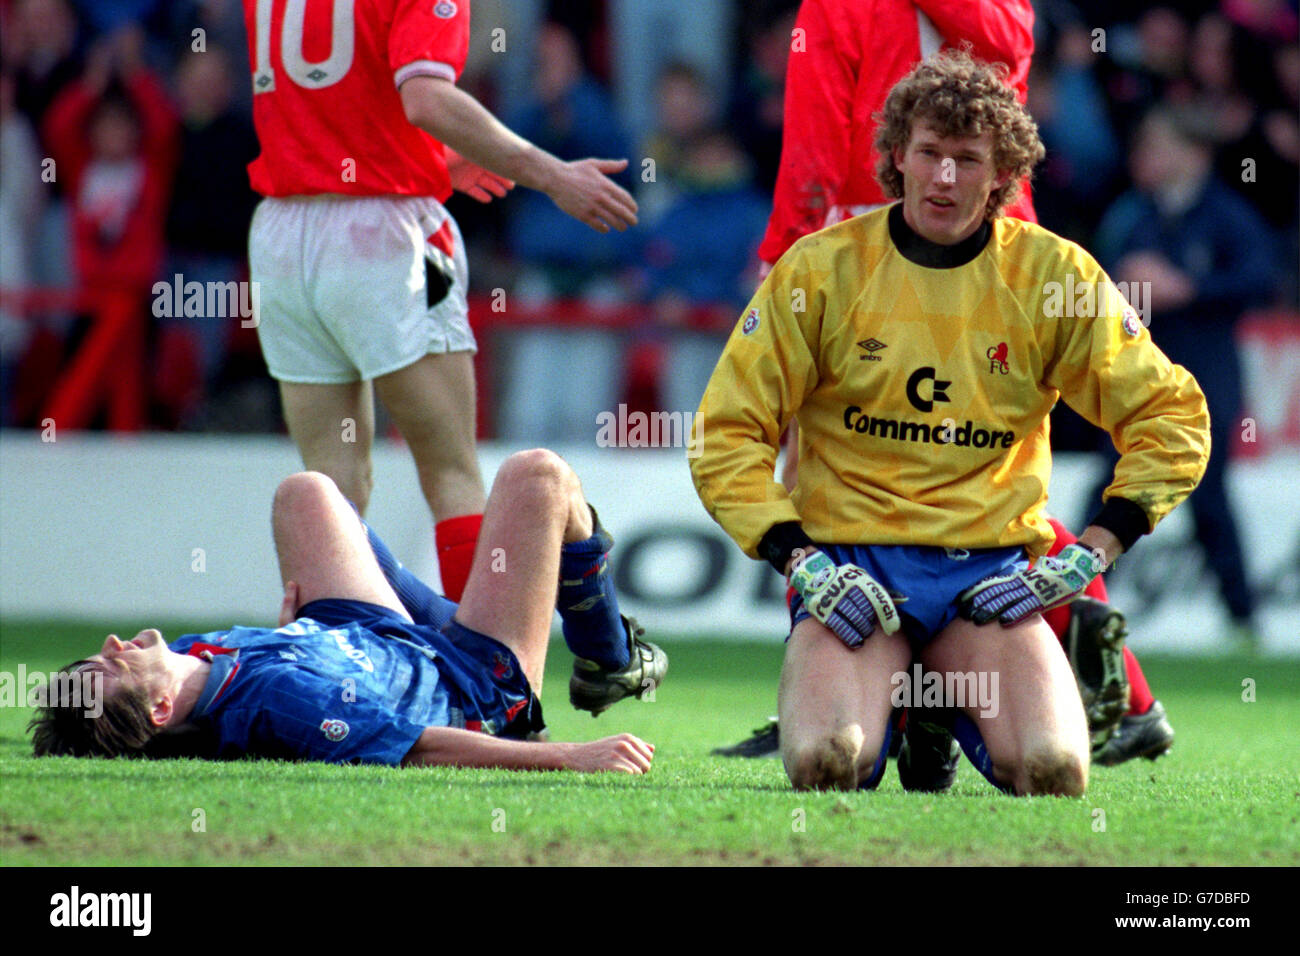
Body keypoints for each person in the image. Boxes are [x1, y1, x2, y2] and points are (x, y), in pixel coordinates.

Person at [689, 50, 1209, 795]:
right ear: (896, 155)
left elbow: (1171, 413)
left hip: (988, 578)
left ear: (1003, 173)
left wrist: (1094, 549)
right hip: (852, 573)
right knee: (826, 765)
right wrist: (799, 559)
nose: (942, 177)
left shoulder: (1052, 276)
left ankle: (931, 705)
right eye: (929, 153)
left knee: (1053, 772)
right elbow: (726, 434)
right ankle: (900, 711)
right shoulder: (818, 270)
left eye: (967, 160)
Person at [242, 0, 638, 601]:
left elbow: (334, 98)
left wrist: (422, 158)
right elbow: (425, 98)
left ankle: (328, 677)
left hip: (282, 231)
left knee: (331, 487)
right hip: (382, 237)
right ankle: (489, 682)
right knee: (452, 473)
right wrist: (553, 174)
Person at [29, 450, 668, 772]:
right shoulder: (283, 699)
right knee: (538, 476)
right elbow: (418, 749)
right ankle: (609, 657)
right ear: (160, 710)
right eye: (111, 668)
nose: (113, 643)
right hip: (470, 679)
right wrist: (570, 756)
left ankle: (467, 606)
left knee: (304, 493)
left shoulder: (196, 659)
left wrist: (296, 635)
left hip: (360, 631)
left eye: (99, 653)